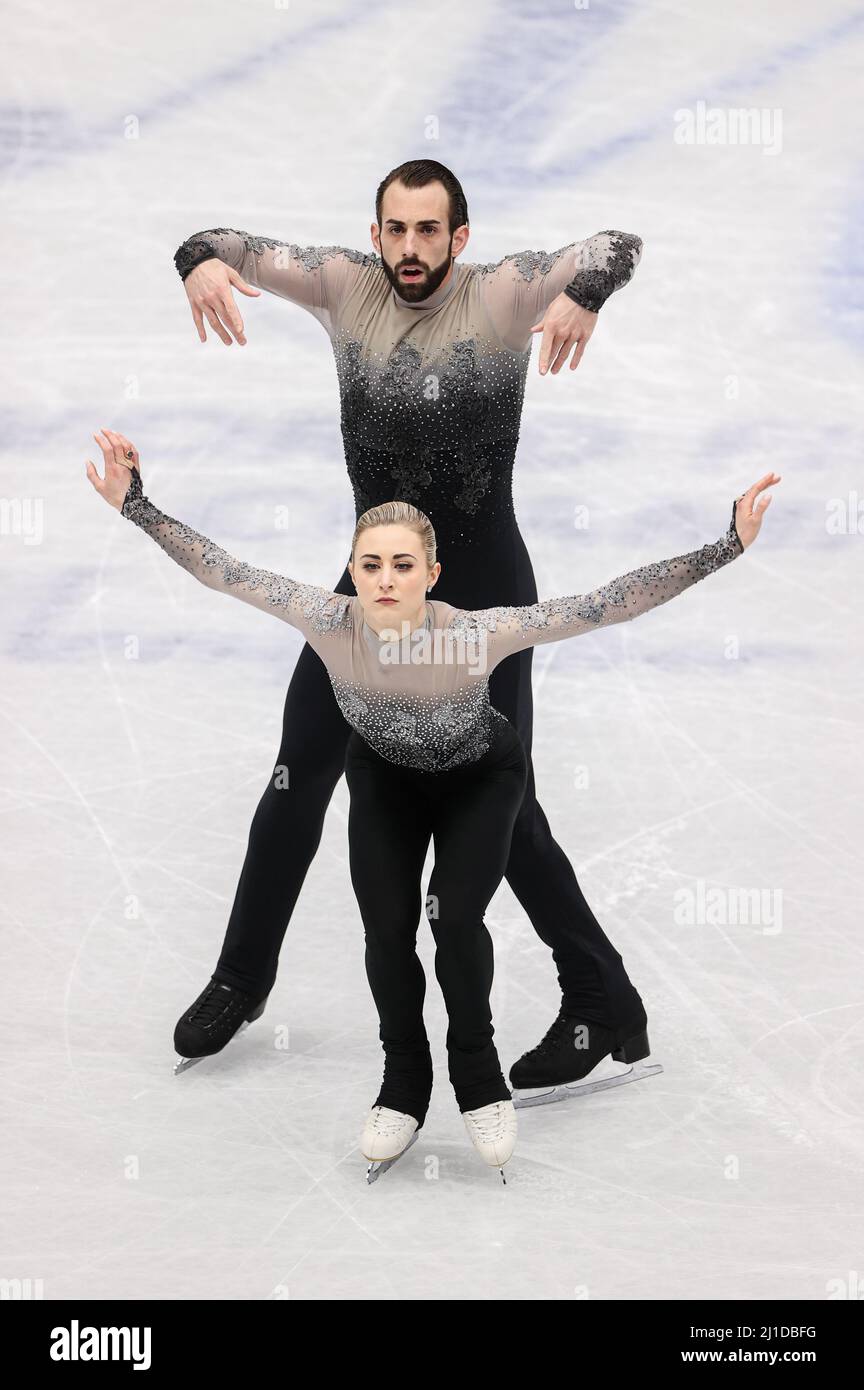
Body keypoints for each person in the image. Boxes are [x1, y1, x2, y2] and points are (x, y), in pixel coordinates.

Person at [85, 425, 778, 1175]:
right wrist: (138, 506)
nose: (385, 578)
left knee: (451, 916)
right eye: (371, 564)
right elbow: (222, 570)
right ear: (351, 571)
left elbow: (605, 605)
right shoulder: (326, 621)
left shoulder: (475, 635)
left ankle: (478, 1082)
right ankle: (403, 1085)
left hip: (480, 782)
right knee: (386, 931)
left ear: (432, 573)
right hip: (386, 781)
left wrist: (726, 545)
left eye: (403, 565)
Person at [168, 158, 654, 1096]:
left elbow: (616, 245)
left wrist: (588, 292)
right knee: (299, 766)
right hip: (374, 593)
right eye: (395, 229)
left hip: (479, 602)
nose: (410, 249)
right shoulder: (345, 287)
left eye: (429, 231)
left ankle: (601, 998)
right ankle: (242, 976)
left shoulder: (505, 295)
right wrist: (194, 263)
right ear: (377, 231)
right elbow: (217, 243)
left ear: (458, 238)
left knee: (505, 809)